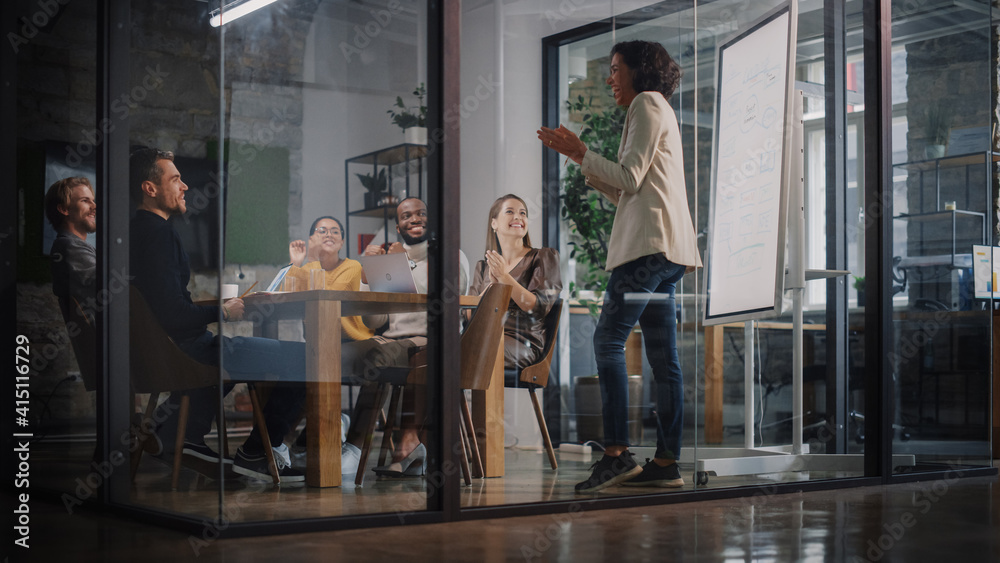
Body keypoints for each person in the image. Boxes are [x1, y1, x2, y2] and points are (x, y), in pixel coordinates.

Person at [538, 40, 702, 493]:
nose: (610, 78)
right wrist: (579, 156)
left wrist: (582, 151)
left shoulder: (647, 104)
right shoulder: (660, 107)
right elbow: (636, 190)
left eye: (615, 69)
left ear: (638, 70)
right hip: (669, 252)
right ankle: (666, 463)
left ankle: (615, 454)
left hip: (647, 251)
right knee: (663, 358)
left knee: (608, 342)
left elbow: (629, 177)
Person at [129, 148, 307, 483]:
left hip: (162, 350)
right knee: (307, 357)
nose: (184, 187)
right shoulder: (159, 234)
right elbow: (173, 314)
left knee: (234, 355)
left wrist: (218, 309)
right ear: (150, 189)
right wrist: (223, 311)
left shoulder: (134, 233)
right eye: (175, 179)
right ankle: (255, 453)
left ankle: (174, 434)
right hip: (184, 352)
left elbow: (163, 307)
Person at [339, 197, 469, 478]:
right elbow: (376, 321)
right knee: (333, 355)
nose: (415, 219)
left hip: (430, 339)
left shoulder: (450, 255)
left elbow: (444, 300)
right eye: (407, 216)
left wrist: (400, 262)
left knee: (377, 358)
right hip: (394, 339)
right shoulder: (393, 261)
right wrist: (367, 278)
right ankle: (315, 441)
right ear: (398, 226)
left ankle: (355, 448)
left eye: (421, 213)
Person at [468, 194, 562, 440]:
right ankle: (447, 440)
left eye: (522, 213)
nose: (518, 217)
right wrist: (491, 284)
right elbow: (470, 316)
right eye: (509, 212)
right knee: (434, 355)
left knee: (472, 351)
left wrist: (505, 279)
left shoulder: (543, 257)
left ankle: (476, 443)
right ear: (494, 223)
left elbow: (539, 307)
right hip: (485, 339)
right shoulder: (482, 267)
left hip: (523, 343)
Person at [44, 177, 98, 390]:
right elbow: (112, 284)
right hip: (113, 349)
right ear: (64, 209)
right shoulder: (68, 247)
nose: (94, 206)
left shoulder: (75, 246)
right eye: (86, 201)